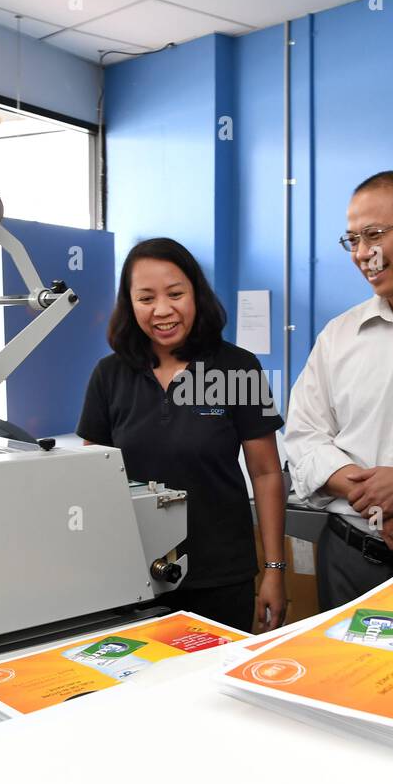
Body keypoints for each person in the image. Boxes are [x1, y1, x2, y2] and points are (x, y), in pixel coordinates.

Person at [77, 239, 287, 634]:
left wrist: (274, 570)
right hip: (132, 575)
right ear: (130, 303)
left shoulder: (237, 367)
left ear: (196, 294)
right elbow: (96, 479)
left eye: (175, 294)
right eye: (146, 298)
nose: (162, 310)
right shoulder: (109, 375)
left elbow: (265, 473)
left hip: (221, 575)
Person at [285, 171, 393, 611]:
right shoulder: (339, 336)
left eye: (373, 235)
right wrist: (377, 500)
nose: (363, 254)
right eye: (352, 240)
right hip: (349, 562)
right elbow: (304, 439)